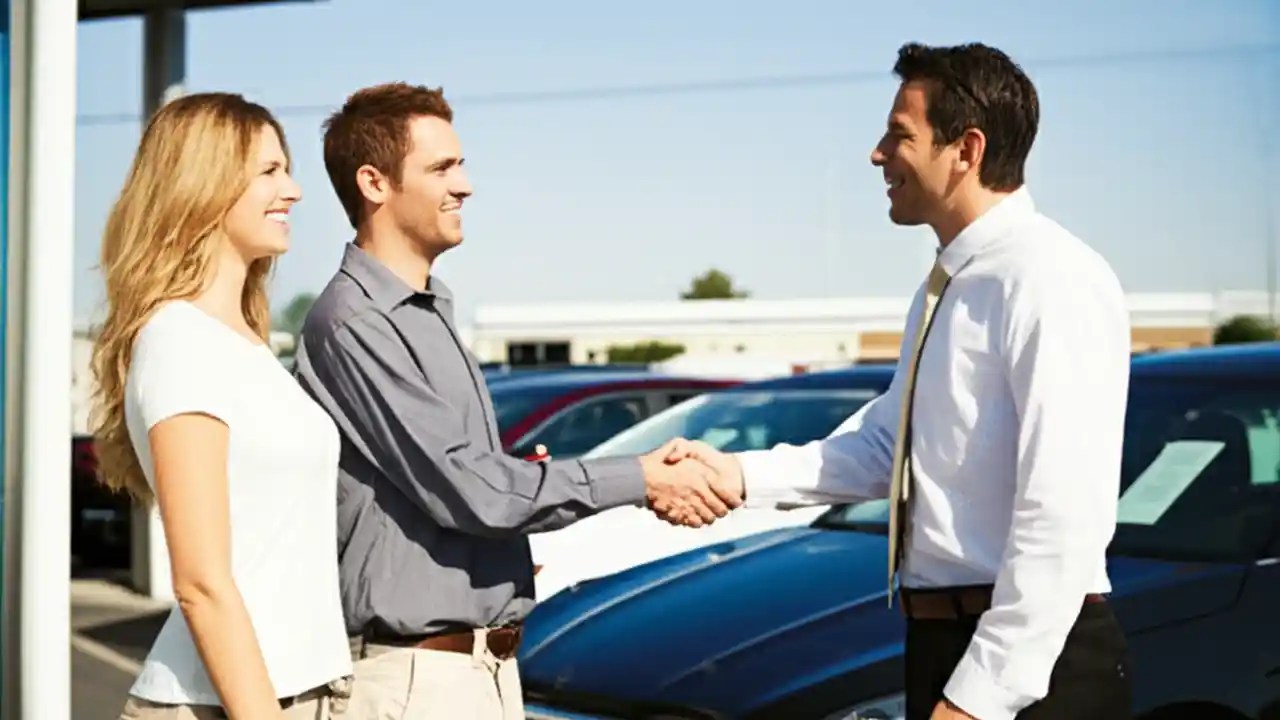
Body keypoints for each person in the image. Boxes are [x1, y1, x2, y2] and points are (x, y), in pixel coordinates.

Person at [666, 42, 1133, 720]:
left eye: (899, 134)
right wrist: (735, 476)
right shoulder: (949, 283)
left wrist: (981, 697)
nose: (877, 154)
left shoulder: (1048, 276)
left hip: (1031, 668)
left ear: (965, 150)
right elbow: (890, 450)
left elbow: (1064, 511)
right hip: (944, 643)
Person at [292, 81, 737, 719]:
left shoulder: (430, 309)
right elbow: (474, 491)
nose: (464, 186)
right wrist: (641, 476)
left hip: (481, 671)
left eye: (461, 165)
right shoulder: (355, 321)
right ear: (373, 183)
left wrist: (520, 475)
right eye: (442, 167)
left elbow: (467, 482)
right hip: (415, 680)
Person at [89, 93, 353, 719]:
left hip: (290, 691)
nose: (293, 190)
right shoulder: (180, 342)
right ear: (203, 186)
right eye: (268, 171)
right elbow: (202, 584)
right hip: (229, 704)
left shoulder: (242, 344)